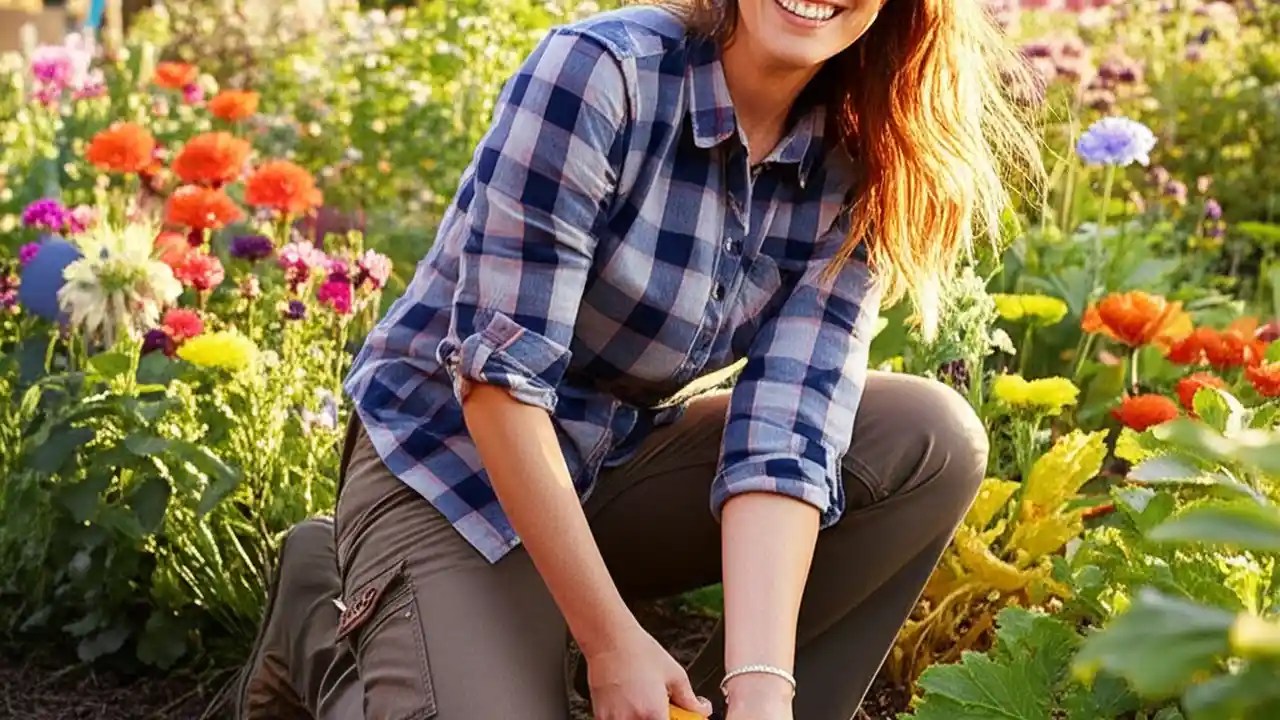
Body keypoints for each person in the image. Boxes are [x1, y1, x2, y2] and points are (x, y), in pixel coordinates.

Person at [233, 1, 1041, 718]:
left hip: (610, 465)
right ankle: (324, 614)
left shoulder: (863, 154)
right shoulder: (600, 74)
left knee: (925, 438)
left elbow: (789, 437)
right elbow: (499, 387)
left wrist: (761, 688)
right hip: (449, 468)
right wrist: (613, 644)